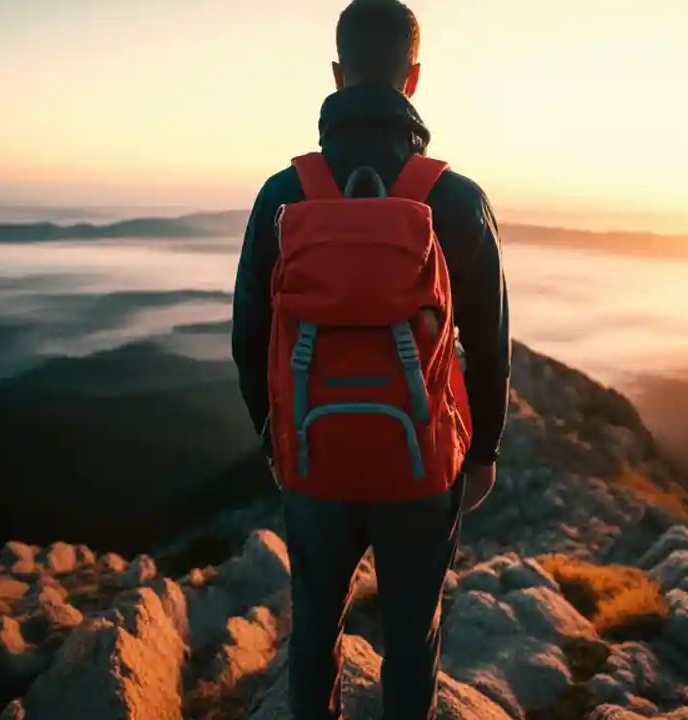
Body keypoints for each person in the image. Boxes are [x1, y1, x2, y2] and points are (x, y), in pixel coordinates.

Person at [230, 1, 510, 717]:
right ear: (412, 79)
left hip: (313, 454)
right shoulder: (456, 198)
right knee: (412, 637)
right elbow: (489, 339)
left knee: (316, 621)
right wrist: (481, 453)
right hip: (421, 462)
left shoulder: (284, 195)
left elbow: (249, 334)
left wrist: (277, 435)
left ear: (336, 74)